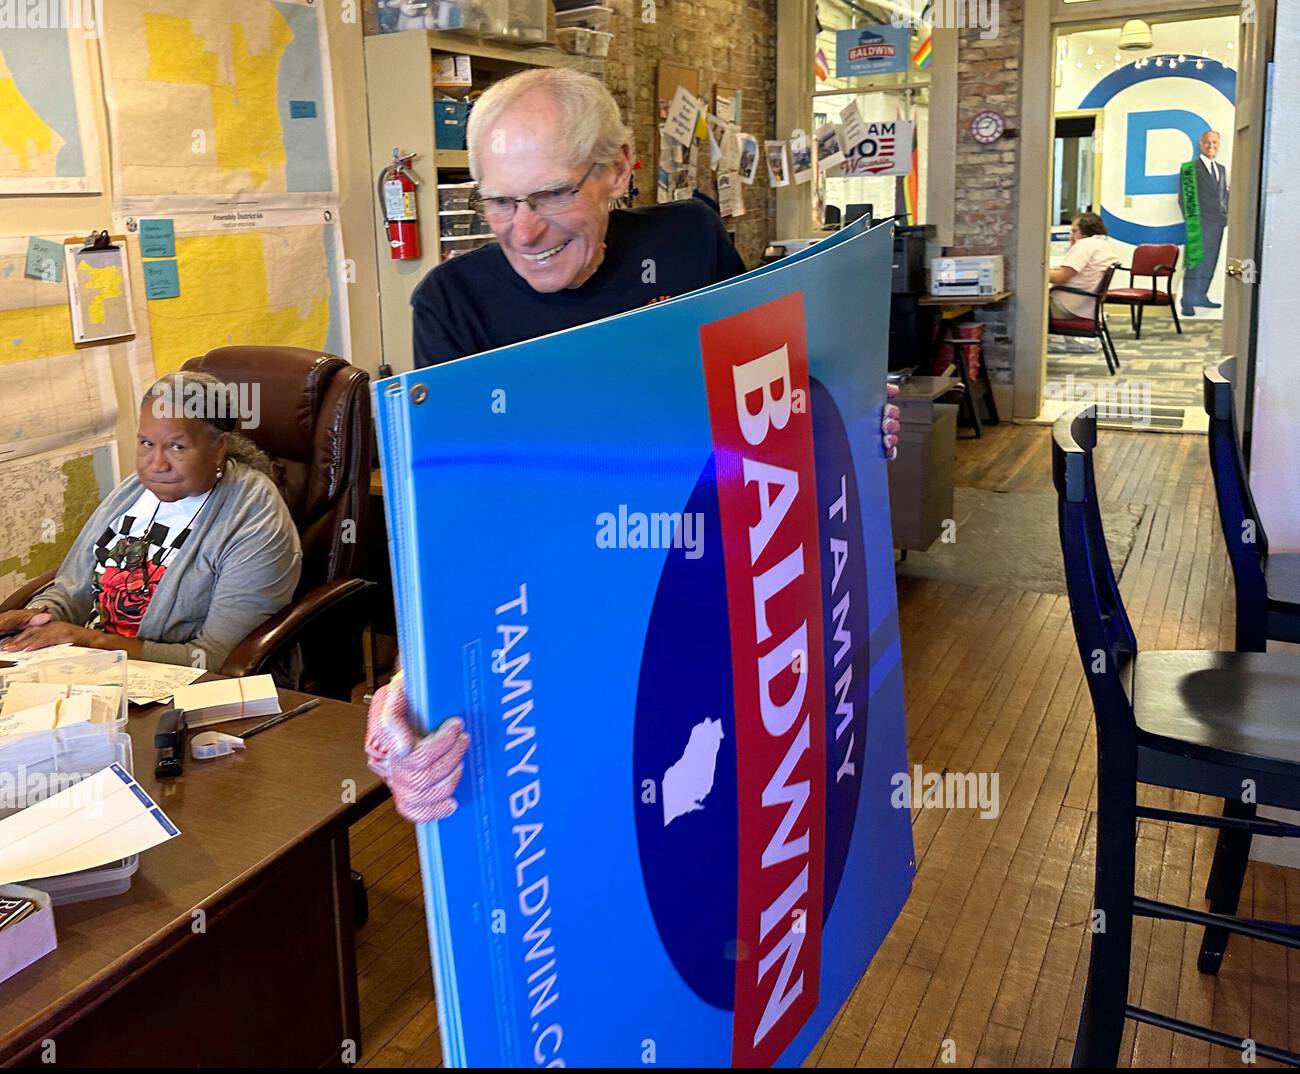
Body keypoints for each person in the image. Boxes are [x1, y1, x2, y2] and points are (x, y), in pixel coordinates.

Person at [374, 68, 901, 823]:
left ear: (619, 169)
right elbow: (462, 518)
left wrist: (850, 420)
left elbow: (772, 391)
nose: (524, 230)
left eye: (552, 194)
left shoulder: (689, 240)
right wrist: (408, 678)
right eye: (498, 200)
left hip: (726, 605)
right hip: (568, 638)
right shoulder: (452, 307)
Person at [0, 372, 302, 670]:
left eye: (177, 447)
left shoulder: (254, 516)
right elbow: (72, 591)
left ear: (219, 447)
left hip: (185, 689)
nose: (156, 464)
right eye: (146, 443)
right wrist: (37, 617)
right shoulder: (133, 492)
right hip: (91, 669)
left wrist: (93, 643)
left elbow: (217, 659)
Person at [1179, 129, 1229, 316]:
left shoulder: (1221, 169)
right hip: (1198, 226)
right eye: (1208, 142)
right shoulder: (1190, 168)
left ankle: (1201, 296)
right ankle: (1187, 301)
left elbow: (1223, 195)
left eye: (1215, 143)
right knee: (1195, 263)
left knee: (1210, 262)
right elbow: (1184, 199)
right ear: (1201, 144)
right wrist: (1194, 222)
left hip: (1217, 225)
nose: (1211, 146)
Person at [1048, 211, 1115, 322]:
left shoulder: (1084, 245)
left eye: (1074, 231)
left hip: (1066, 307)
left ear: (1085, 231)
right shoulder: (1102, 245)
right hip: (1084, 305)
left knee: (1026, 302)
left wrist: (1039, 271)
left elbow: (1061, 277)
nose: (1071, 236)